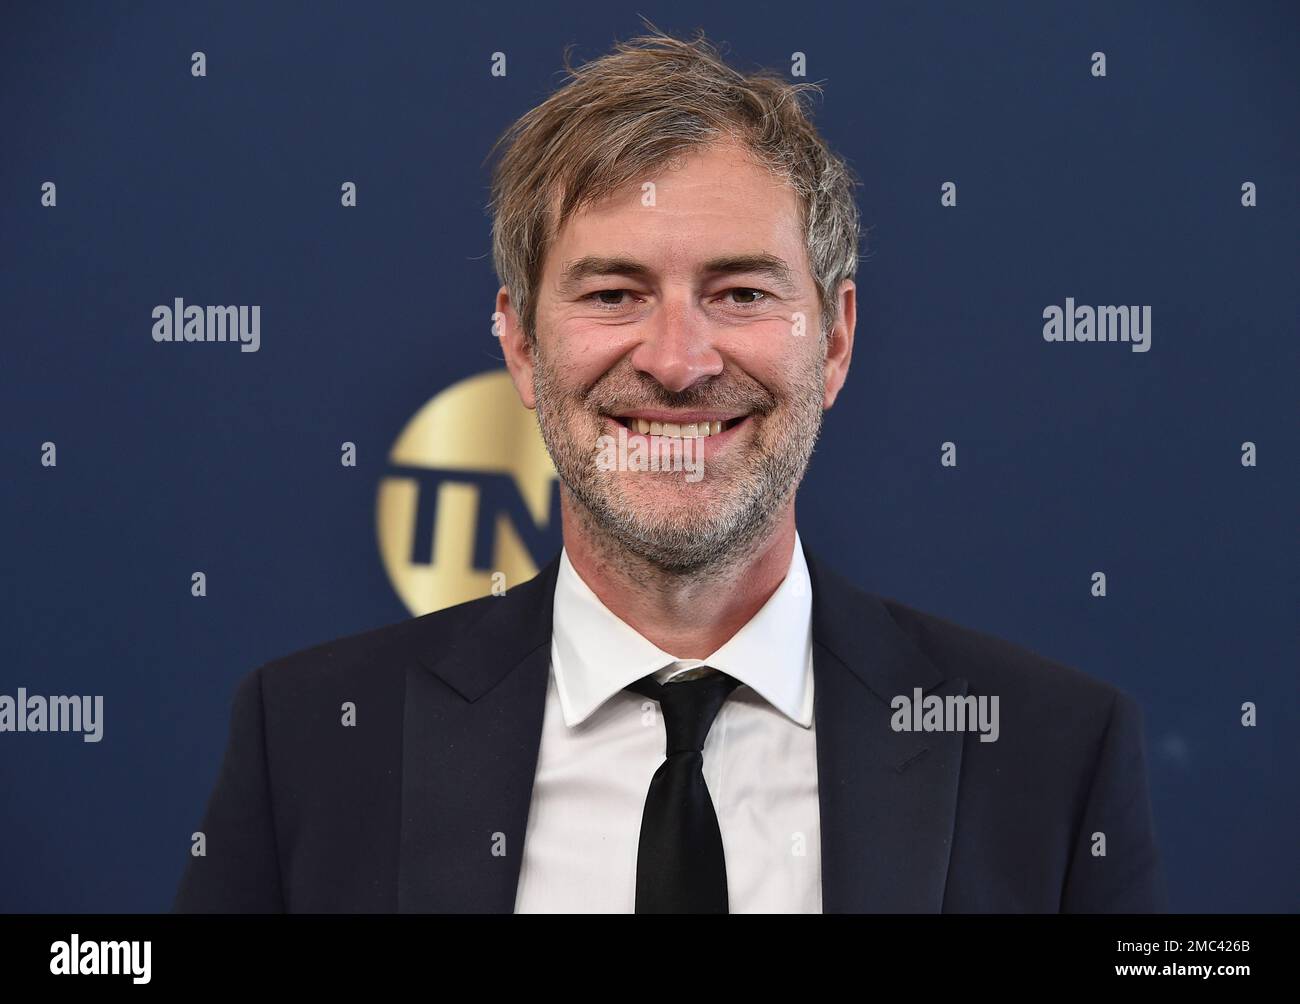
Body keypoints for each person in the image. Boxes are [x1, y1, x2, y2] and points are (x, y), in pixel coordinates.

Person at [174, 27, 1166, 914]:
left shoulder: (1051, 751)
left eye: (740, 292)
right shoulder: (308, 742)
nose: (679, 361)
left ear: (833, 340)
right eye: (614, 293)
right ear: (520, 346)